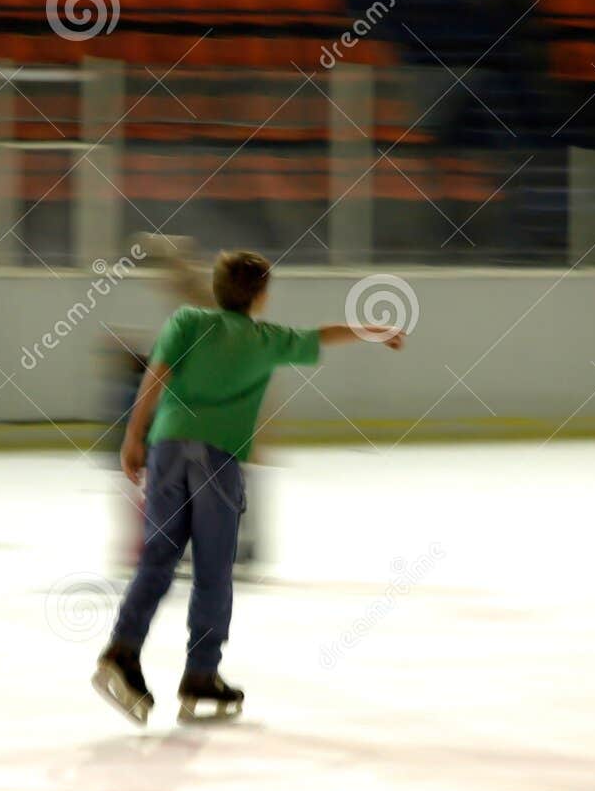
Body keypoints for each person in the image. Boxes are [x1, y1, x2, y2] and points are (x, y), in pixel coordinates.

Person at [92, 250, 405, 725]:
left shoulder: (187, 322)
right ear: (261, 296)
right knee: (214, 570)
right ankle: (200, 674)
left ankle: (122, 651)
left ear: (217, 290)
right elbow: (321, 336)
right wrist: (374, 330)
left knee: (158, 557)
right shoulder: (267, 340)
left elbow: (155, 378)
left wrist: (133, 437)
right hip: (217, 459)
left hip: (169, 446)